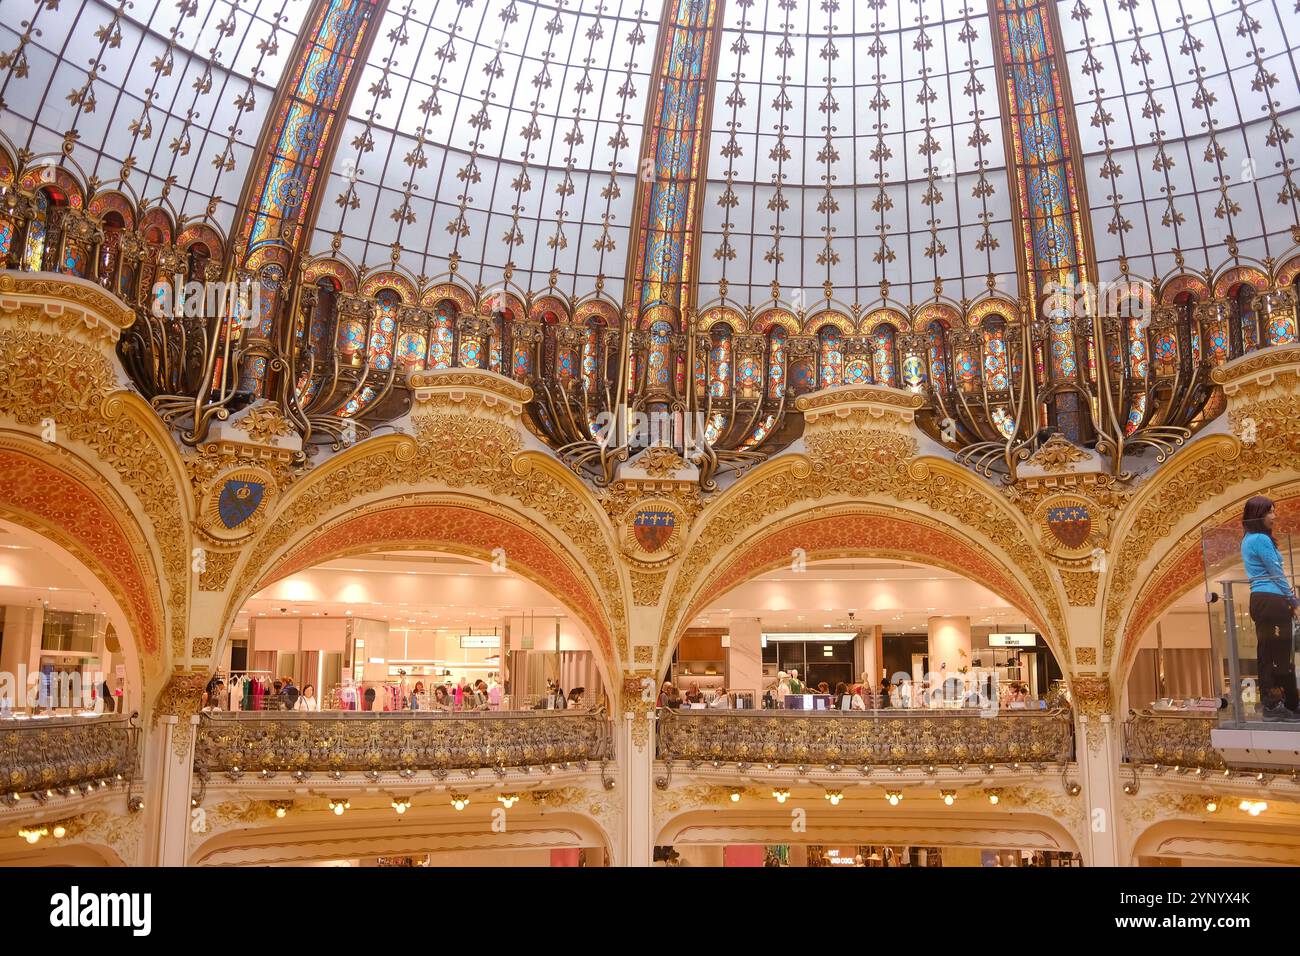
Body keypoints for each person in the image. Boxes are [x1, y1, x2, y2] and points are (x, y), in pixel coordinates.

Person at [1242, 495, 1300, 719]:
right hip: (1271, 599)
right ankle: (1278, 705)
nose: (1274, 516)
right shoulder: (1259, 539)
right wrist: (1293, 600)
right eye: (1270, 512)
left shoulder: (1250, 538)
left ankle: (1281, 703)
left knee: (1269, 652)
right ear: (1258, 514)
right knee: (1279, 654)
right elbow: (1275, 571)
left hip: (1264, 599)